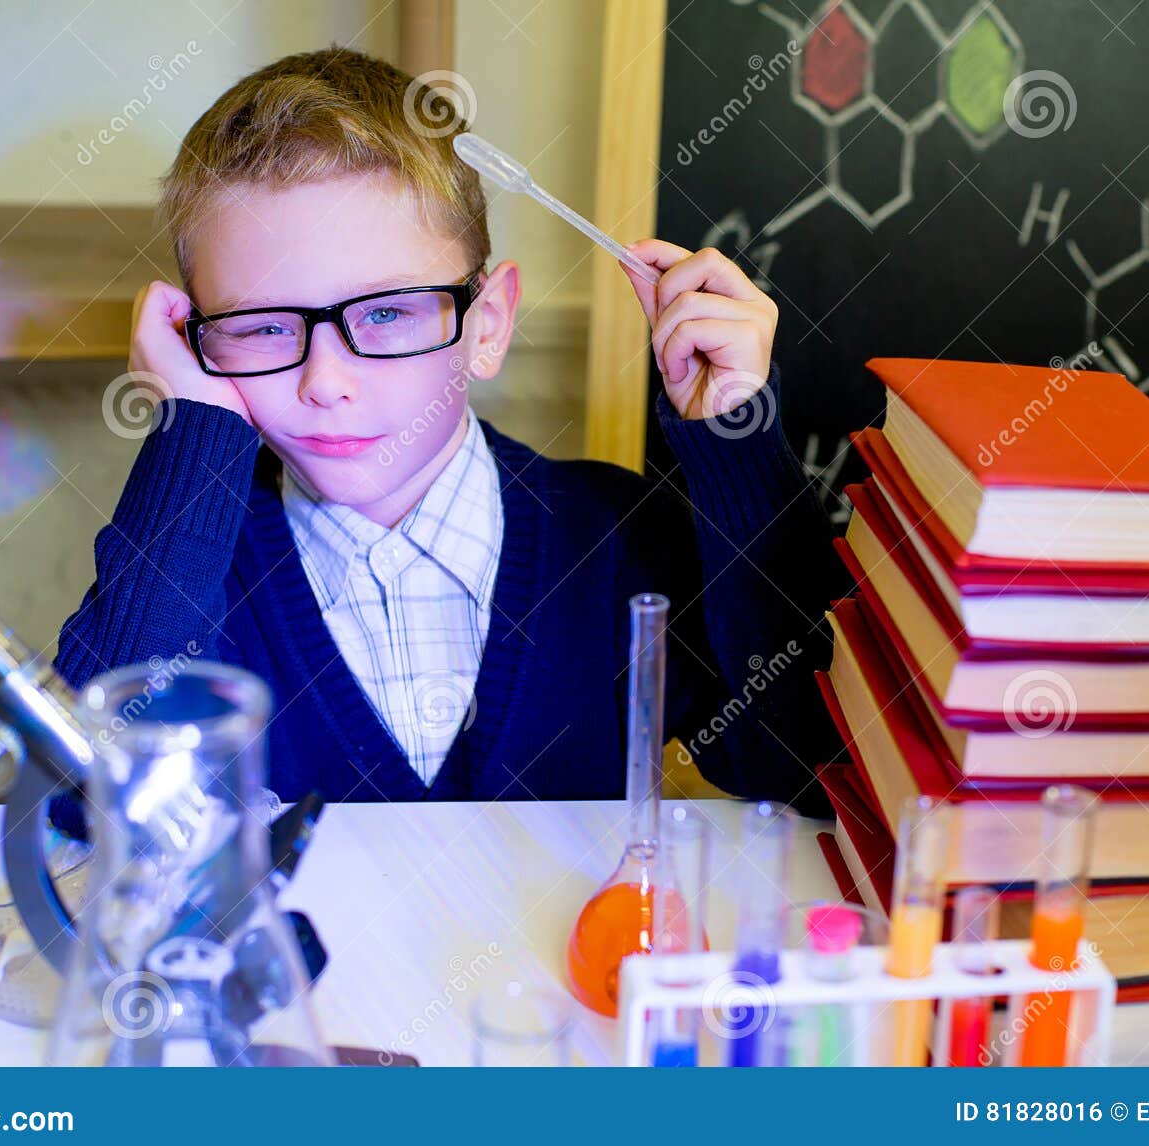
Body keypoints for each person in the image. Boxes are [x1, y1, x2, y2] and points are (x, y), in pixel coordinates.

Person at [54, 47, 842, 820]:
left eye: (387, 313)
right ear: (196, 342)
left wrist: (736, 437)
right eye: (259, 326)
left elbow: (804, 758)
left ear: (487, 324)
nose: (325, 382)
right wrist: (193, 433)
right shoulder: (189, 570)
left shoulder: (616, 542)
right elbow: (84, 809)